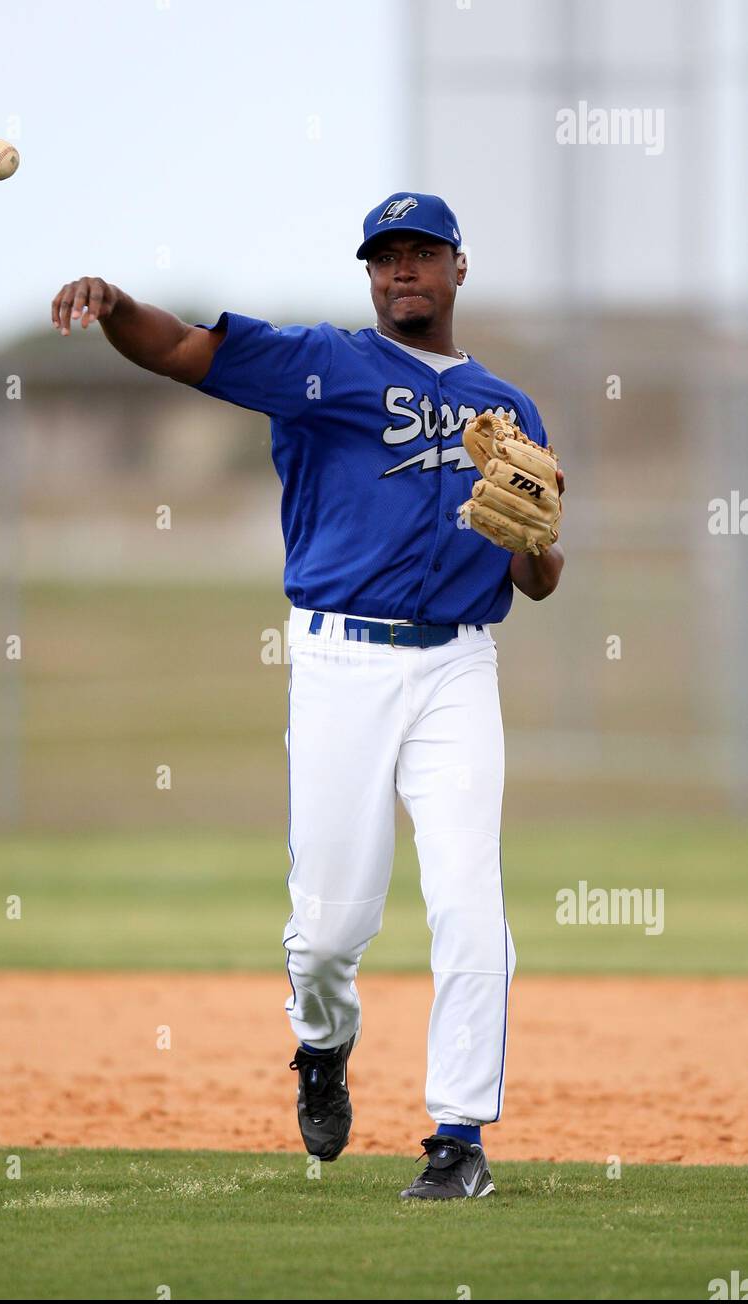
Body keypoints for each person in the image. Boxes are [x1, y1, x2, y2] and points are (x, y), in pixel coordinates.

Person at [51, 191, 565, 1200]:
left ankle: (457, 1136)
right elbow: (182, 352)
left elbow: (540, 581)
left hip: (458, 665)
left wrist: (533, 531)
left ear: (459, 269)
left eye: (420, 253)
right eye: (383, 257)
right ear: (367, 275)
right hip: (340, 663)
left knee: (468, 903)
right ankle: (322, 1046)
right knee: (328, 928)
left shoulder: (510, 410)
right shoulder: (323, 365)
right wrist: (116, 306)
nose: (400, 270)